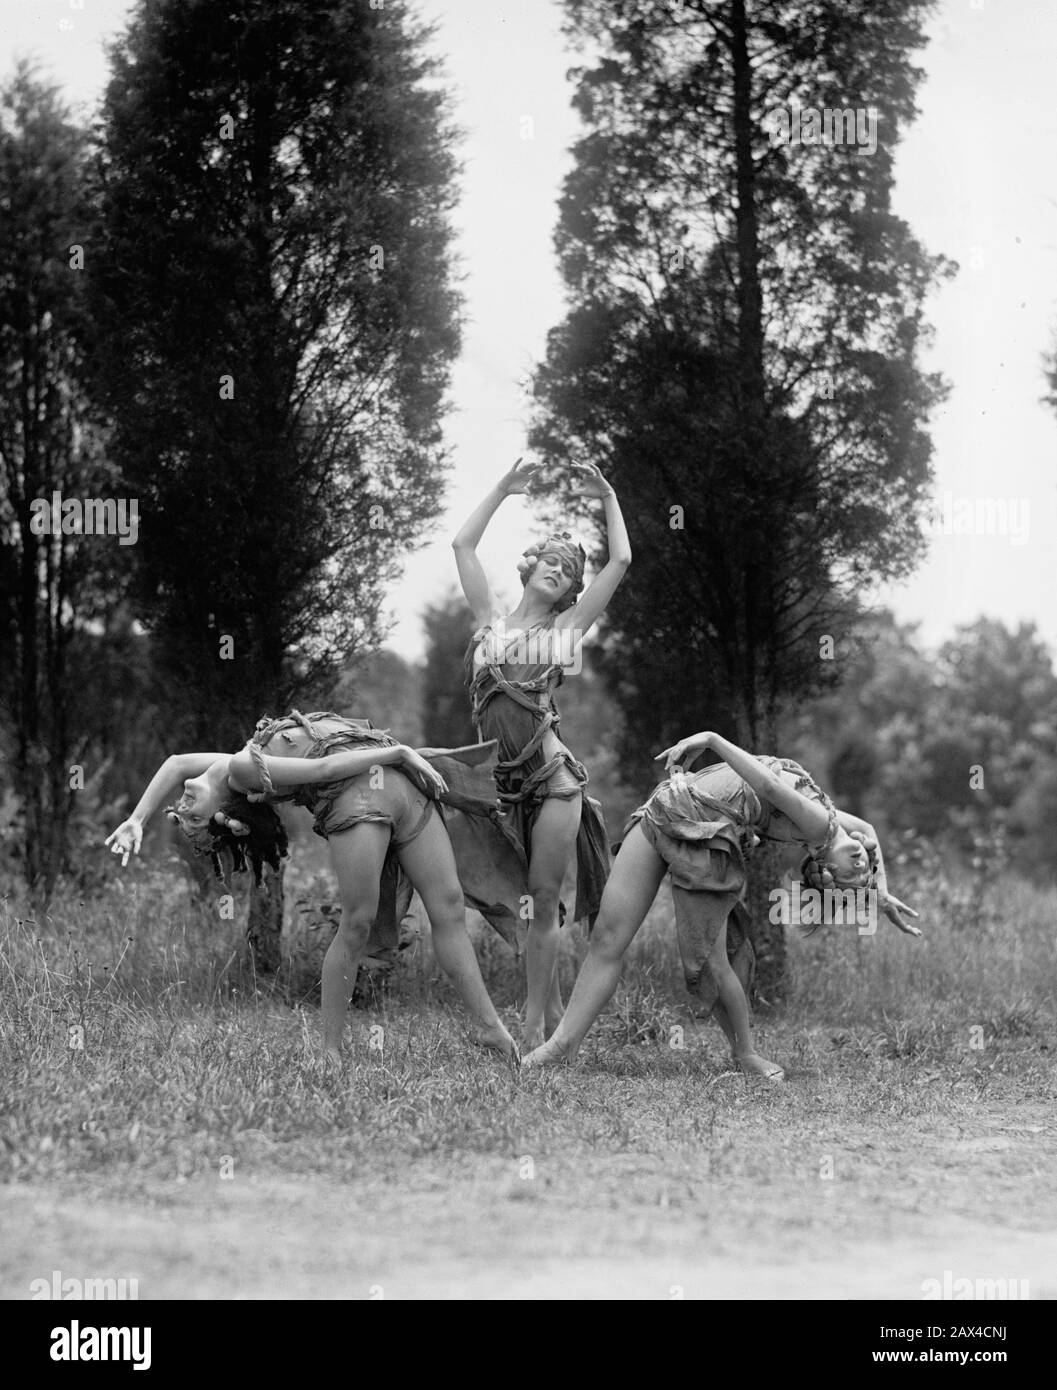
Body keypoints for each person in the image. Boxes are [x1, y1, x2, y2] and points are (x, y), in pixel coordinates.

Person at [104, 711, 525, 1067]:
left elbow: (176, 763)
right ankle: (329, 1051)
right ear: (228, 818)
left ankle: (491, 1030)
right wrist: (399, 752)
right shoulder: (241, 771)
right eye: (192, 820)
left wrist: (138, 819)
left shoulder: (227, 764)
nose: (180, 809)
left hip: (402, 785)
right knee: (357, 922)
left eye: (181, 815)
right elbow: (324, 770)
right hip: (363, 797)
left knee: (449, 908)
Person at [522, 728, 920, 1080]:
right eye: (865, 862)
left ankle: (745, 1053)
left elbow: (768, 787)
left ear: (825, 870)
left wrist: (711, 739)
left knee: (711, 960)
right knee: (607, 938)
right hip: (667, 808)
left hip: (704, 834)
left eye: (856, 872)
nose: (864, 861)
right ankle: (562, 1046)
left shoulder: (818, 826)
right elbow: (868, 830)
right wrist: (880, 892)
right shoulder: (835, 822)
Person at [453, 458, 631, 1050]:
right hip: (500, 788)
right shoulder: (488, 623)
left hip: (552, 782)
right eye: (550, 561)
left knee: (544, 904)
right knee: (514, 901)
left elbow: (622, 562)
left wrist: (607, 495)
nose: (557, 571)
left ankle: (534, 1033)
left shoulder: (564, 631)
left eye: (568, 570)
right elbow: (462, 544)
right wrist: (503, 488)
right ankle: (549, 1010)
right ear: (530, 568)